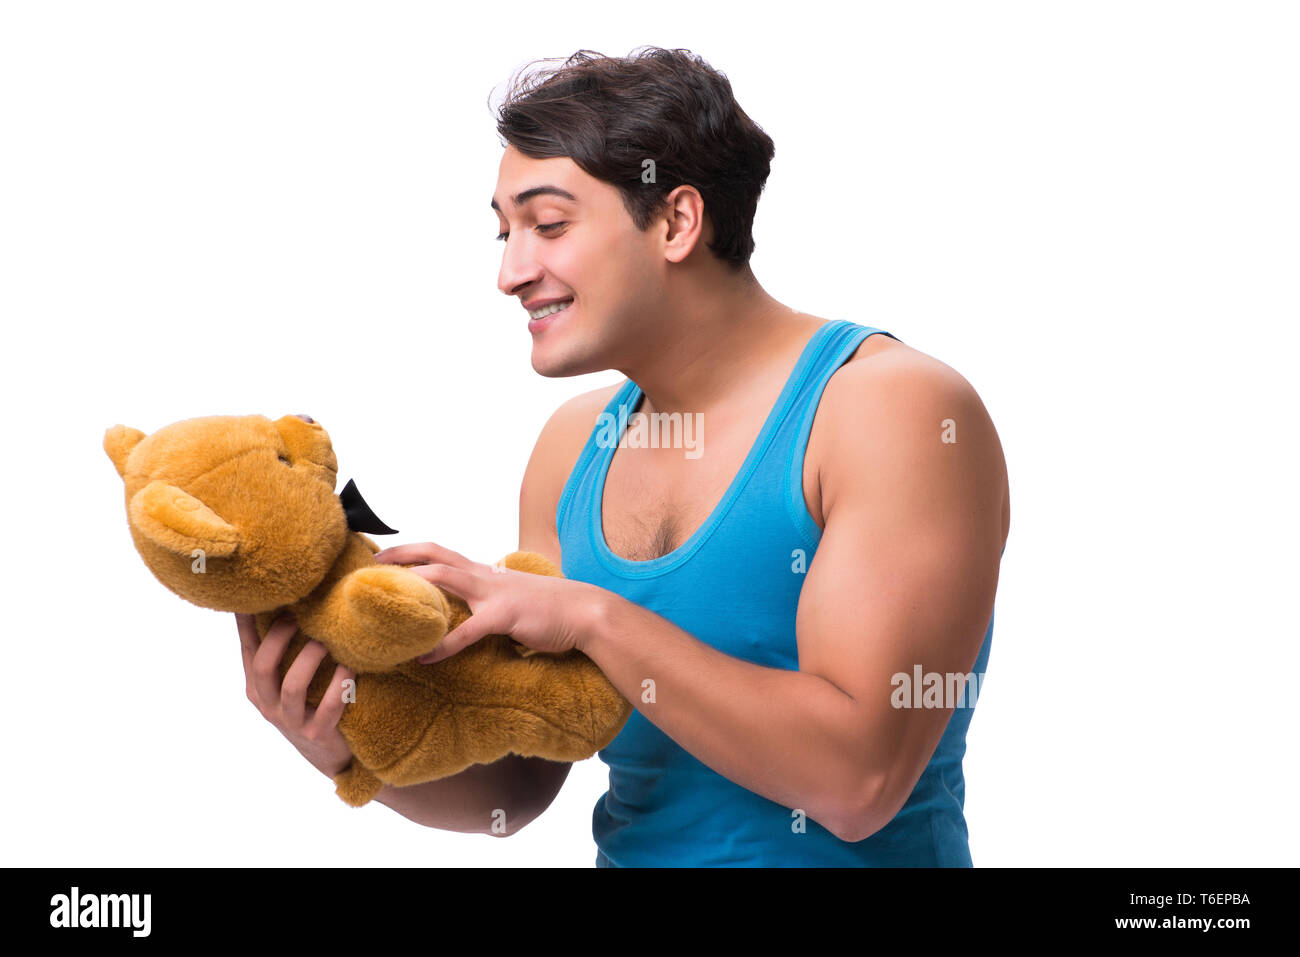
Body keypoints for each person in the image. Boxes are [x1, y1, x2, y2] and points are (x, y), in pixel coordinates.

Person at [237, 46, 1010, 865]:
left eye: (549, 224)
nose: (510, 271)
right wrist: (344, 748)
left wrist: (591, 617)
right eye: (504, 231)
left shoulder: (893, 410)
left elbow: (858, 781)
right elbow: (518, 785)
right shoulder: (573, 446)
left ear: (677, 222)